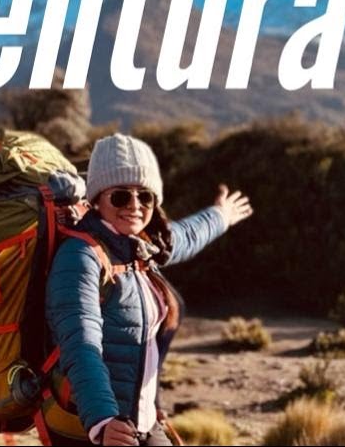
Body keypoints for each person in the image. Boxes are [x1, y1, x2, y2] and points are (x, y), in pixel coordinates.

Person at [47, 133, 252, 446]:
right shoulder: (80, 256)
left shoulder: (142, 249)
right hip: (90, 426)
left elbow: (183, 238)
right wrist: (102, 420)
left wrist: (220, 215)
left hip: (142, 422)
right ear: (97, 199)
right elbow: (81, 343)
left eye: (145, 197)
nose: (134, 205)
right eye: (120, 196)